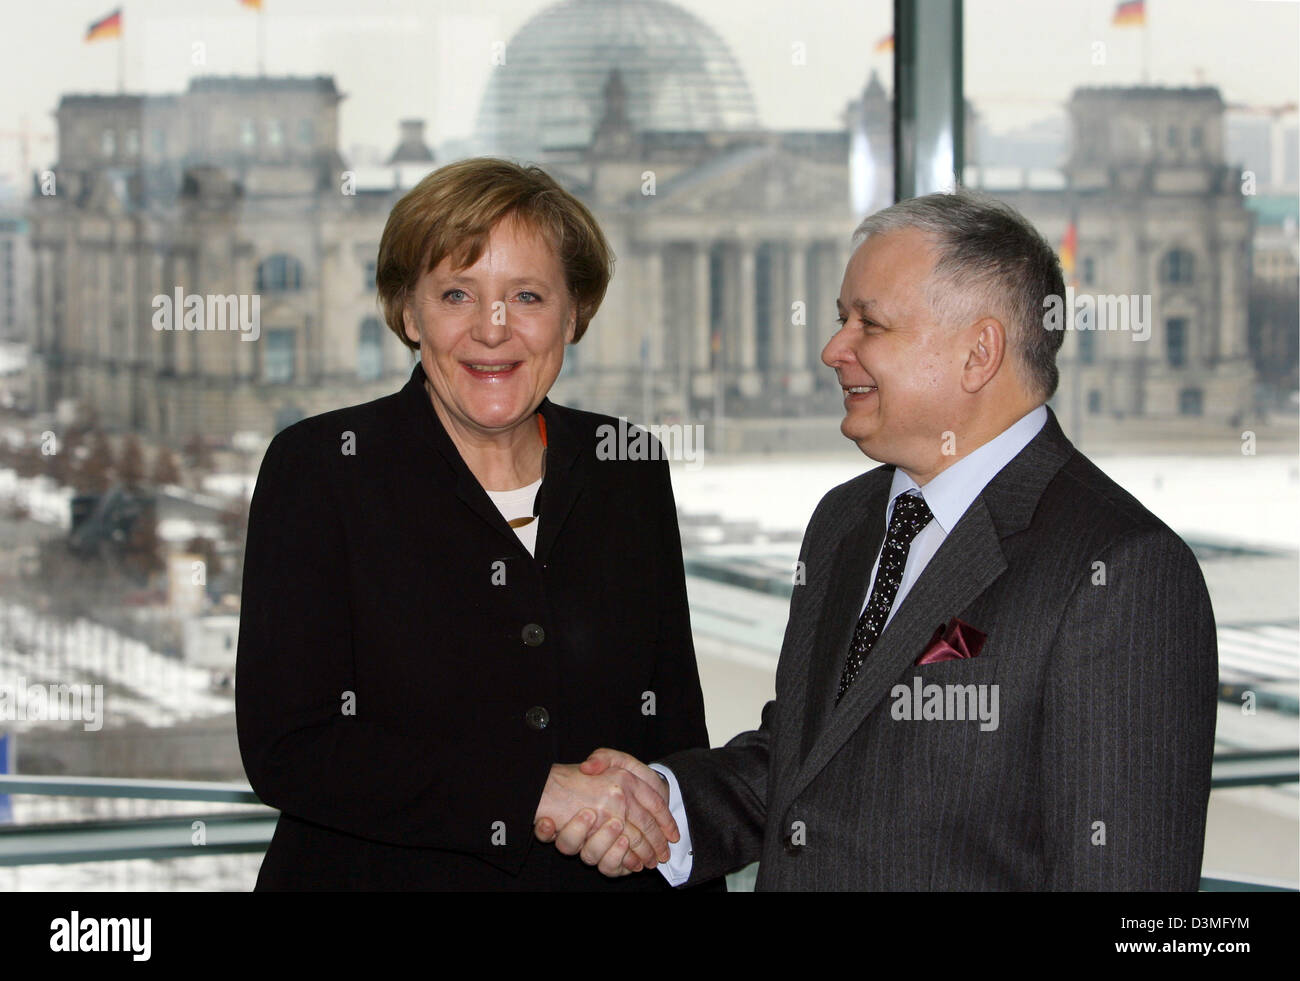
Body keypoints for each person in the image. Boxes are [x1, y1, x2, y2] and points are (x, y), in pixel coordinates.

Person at [538, 189, 1219, 890]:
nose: (835, 349)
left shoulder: (1123, 571)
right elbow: (807, 766)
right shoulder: (846, 521)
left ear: (978, 352)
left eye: (871, 324)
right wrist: (656, 800)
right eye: (841, 319)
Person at [236, 157, 714, 890]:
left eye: (527, 295)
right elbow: (290, 747)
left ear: (574, 314)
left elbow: (673, 731)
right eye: (457, 293)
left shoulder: (628, 465)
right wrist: (530, 790)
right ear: (408, 313)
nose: (493, 330)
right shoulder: (323, 468)